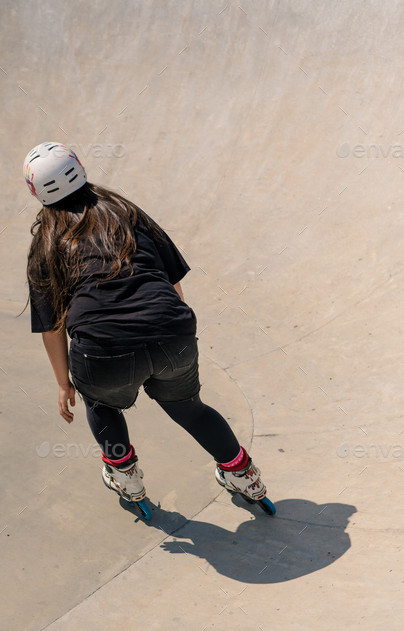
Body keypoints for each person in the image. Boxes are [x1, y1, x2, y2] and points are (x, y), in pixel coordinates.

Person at [23, 142, 273, 517]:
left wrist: (64, 382)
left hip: (104, 352)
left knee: (101, 401)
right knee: (191, 409)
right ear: (80, 167)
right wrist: (175, 330)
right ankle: (244, 476)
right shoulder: (125, 212)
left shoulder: (45, 244)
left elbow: (52, 327)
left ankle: (126, 477)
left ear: (34, 191)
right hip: (171, 330)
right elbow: (172, 281)